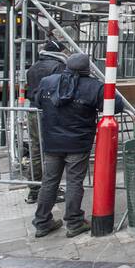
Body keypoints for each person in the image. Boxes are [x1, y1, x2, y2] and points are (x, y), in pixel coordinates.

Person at [31, 52, 106, 238]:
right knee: (74, 182)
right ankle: (74, 222)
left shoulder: (48, 82)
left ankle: (42, 222)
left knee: (49, 182)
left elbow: (38, 102)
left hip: (52, 141)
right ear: (87, 69)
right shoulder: (93, 87)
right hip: (77, 142)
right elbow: (115, 105)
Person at [24, 38, 68, 205]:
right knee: (51, 152)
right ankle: (50, 191)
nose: (66, 54)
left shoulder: (34, 67)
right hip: (50, 113)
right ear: (58, 51)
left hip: (34, 111)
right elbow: (61, 92)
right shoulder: (58, 66)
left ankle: (34, 189)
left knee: (36, 149)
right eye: (64, 51)